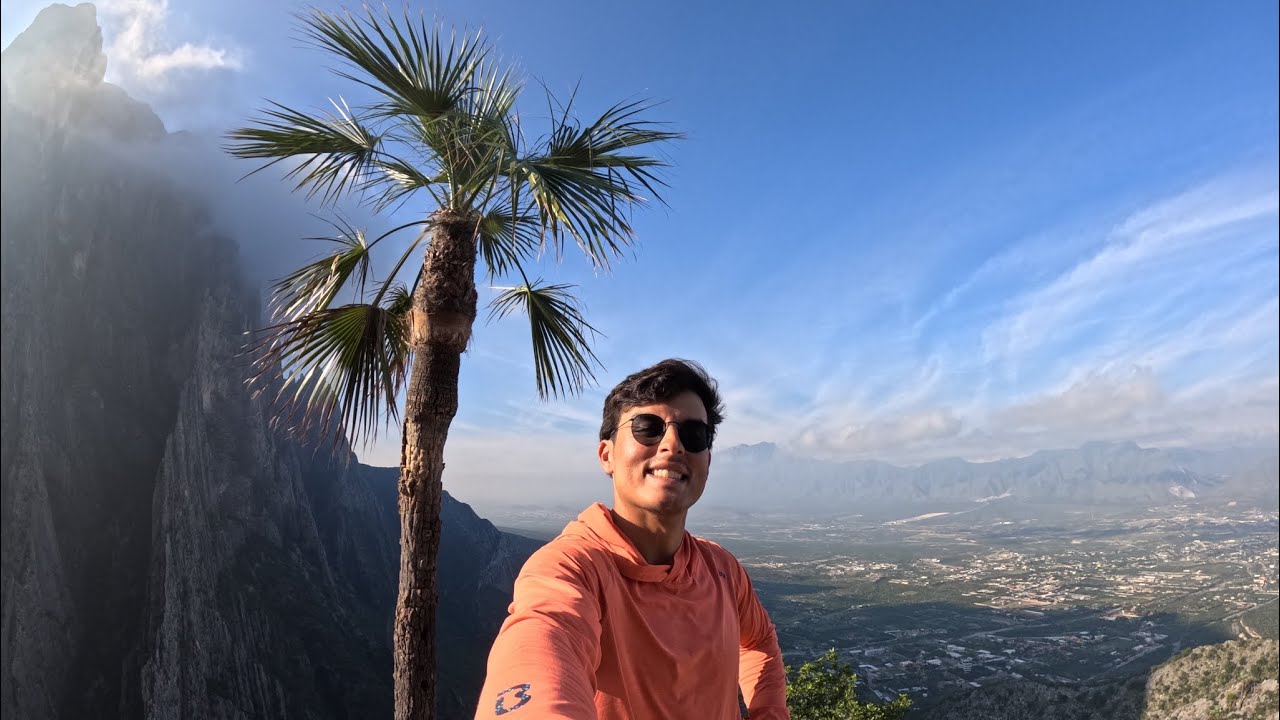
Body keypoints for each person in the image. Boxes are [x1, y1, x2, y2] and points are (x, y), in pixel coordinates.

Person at [474, 359, 789, 719]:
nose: (673, 444)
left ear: (708, 460)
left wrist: (770, 711)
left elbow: (759, 642)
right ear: (606, 455)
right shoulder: (573, 568)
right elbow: (539, 643)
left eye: (693, 434)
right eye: (647, 428)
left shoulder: (723, 570)